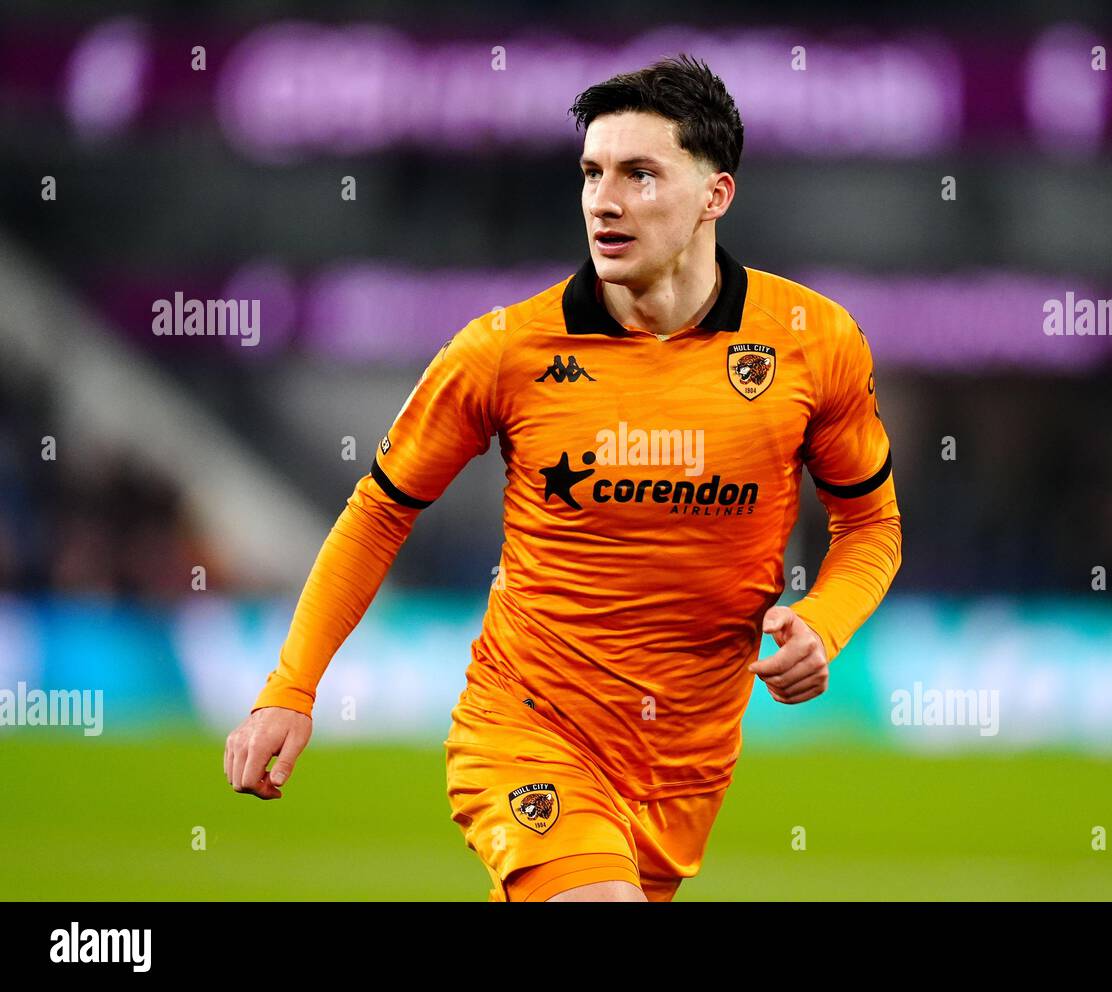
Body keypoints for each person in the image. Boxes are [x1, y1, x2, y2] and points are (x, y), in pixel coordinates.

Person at [224, 53, 902, 902]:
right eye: (591, 173)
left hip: (684, 765)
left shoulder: (813, 341)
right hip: (526, 728)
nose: (603, 200)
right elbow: (379, 513)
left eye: (640, 174)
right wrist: (290, 688)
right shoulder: (505, 352)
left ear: (715, 196)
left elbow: (871, 526)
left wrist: (825, 624)